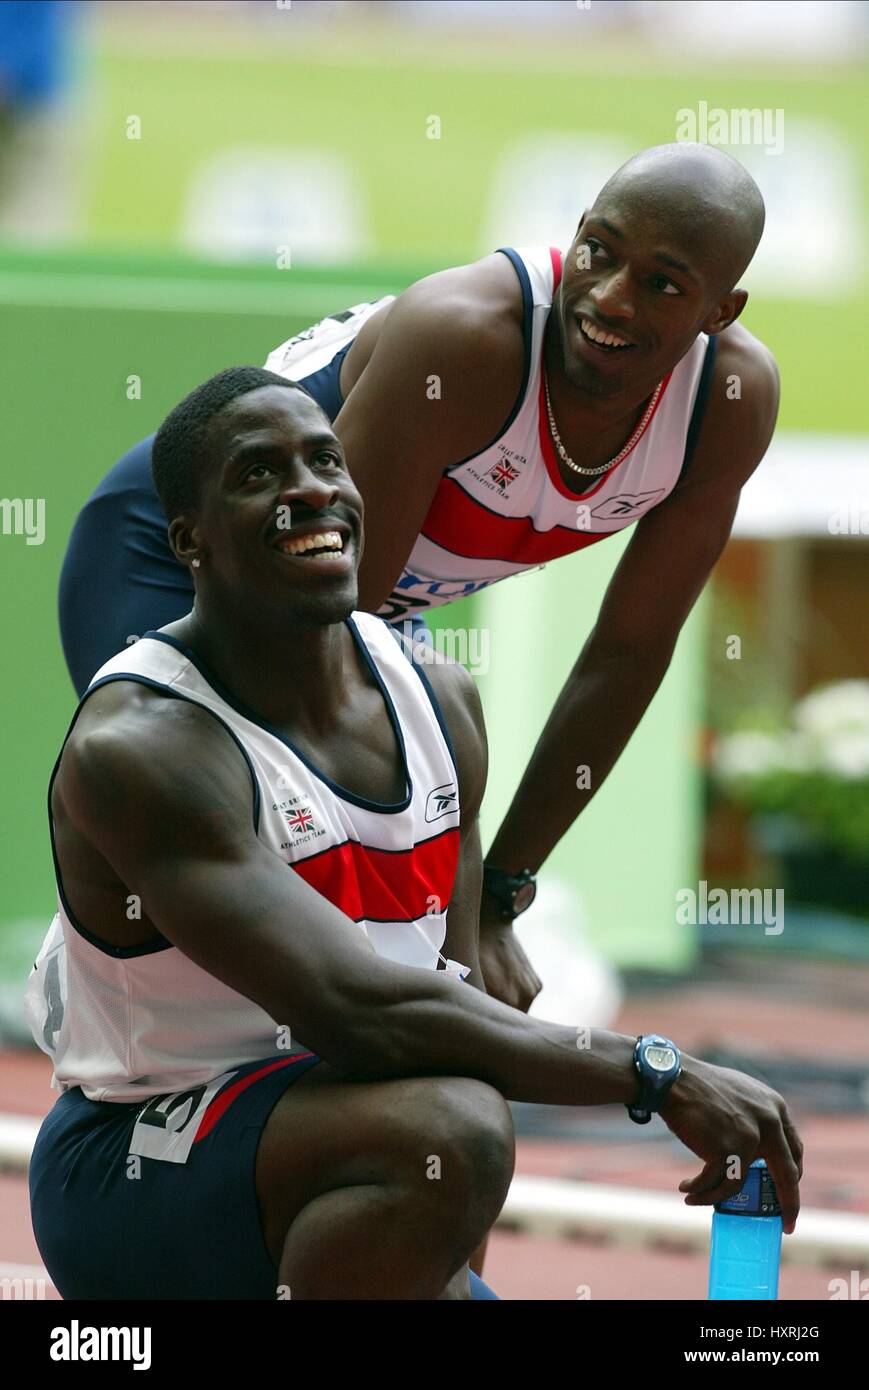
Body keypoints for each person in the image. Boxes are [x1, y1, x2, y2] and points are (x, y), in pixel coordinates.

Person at [29, 368, 801, 1300]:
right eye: (258, 474)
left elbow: (450, 1010)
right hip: (138, 1171)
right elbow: (357, 1011)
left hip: (347, 1153)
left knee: (451, 1117)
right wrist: (654, 1073)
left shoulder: (438, 698)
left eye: (324, 461)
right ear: (188, 539)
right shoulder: (143, 745)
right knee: (450, 1126)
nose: (310, 489)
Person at [58, 143, 779, 1014]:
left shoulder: (729, 402)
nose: (610, 300)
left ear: (720, 309)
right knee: (266, 926)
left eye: (664, 285)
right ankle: (122, 1072)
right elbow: (330, 627)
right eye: (599, 251)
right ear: (576, 233)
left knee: (403, 948)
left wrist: (503, 896)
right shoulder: (466, 337)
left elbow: (628, 652)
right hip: (198, 568)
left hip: (353, 607)